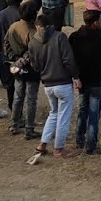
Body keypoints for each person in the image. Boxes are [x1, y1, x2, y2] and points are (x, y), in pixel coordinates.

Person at [29, 8, 82, 159]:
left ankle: (42, 145)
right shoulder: (59, 37)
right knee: (63, 117)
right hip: (63, 83)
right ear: (50, 25)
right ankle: (58, 149)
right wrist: (76, 77)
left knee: (53, 114)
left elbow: (35, 66)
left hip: (48, 85)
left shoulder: (33, 43)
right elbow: (68, 60)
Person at [69, 9, 101, 155]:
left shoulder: (74, 37)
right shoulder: (99, 39)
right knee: (94, 114)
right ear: (95, 23)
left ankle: (79, 139)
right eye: (100, 20)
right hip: (96, 82)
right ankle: (91, 145)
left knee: (83, 109)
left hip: (82, 80)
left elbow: (71, 60)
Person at [4, 0, 42, 139]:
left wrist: (15, 58)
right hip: (30, 70)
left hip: (16, 66)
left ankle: (14, 124)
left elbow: (6, 44)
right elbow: (35, 53)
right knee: (31, 99)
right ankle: (29, 129)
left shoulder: (13, 27)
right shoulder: (32, 33)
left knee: (18, 96)